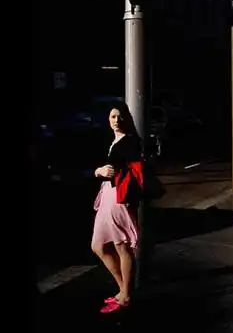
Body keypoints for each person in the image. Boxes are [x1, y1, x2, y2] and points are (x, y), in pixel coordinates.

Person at [91, 103, 143, 313]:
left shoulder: (130, 142)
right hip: (108, 196)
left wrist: (106, 172)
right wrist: (99, 171)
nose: (116, 120)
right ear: (108, 119)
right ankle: (123, 291)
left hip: (118, 198)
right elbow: (107, 169)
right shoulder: (115, 141)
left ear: (127, 119)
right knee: (99, 246)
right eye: (113, 116)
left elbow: (136, 172)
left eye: (120, 116)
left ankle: (125, 295)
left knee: (121, 246)